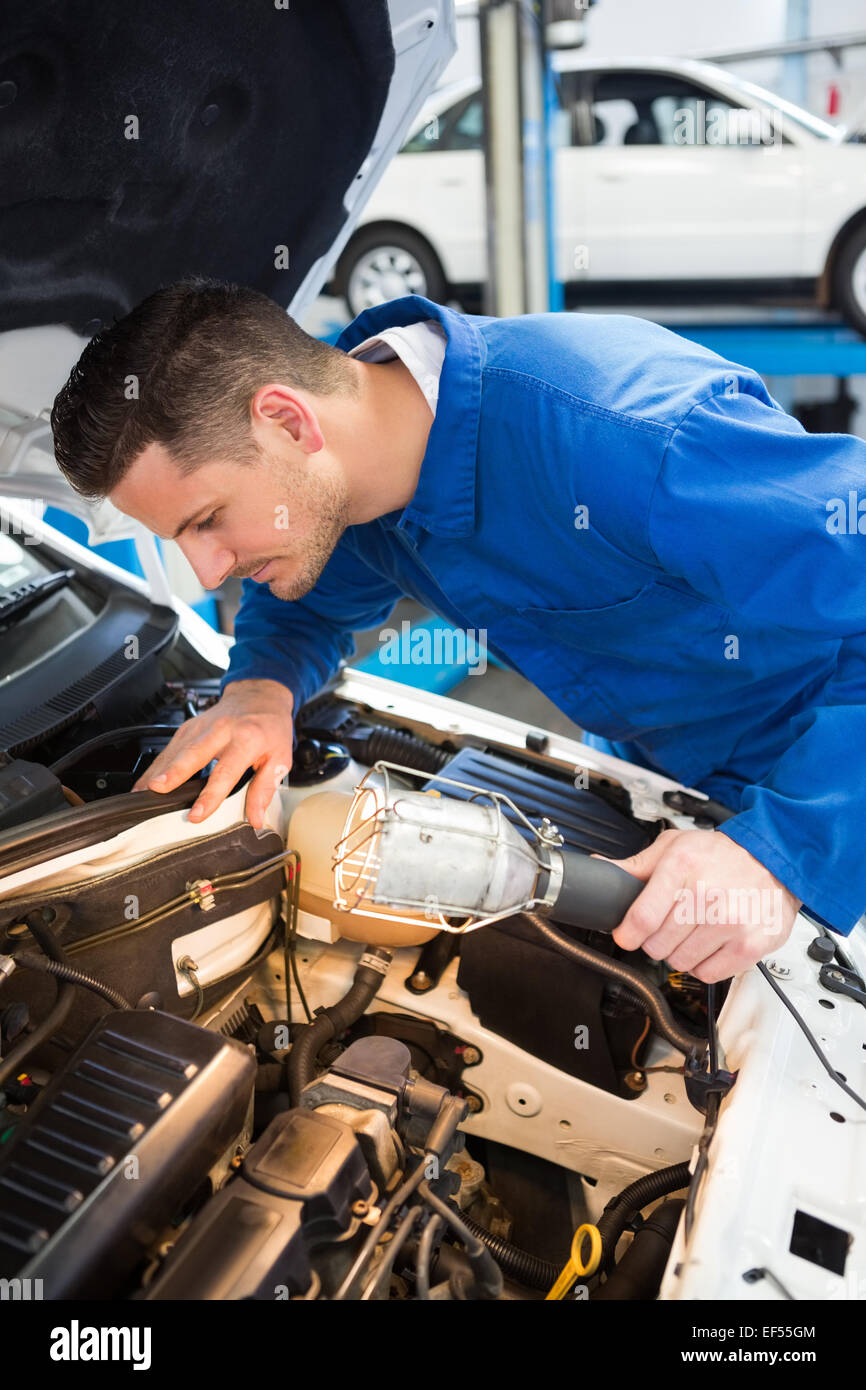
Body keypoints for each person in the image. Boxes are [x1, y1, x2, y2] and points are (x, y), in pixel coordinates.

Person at [50, 279, 866, 982]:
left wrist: (782, 850)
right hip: (675, 792)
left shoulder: (625, 435)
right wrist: (261, 688)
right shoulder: (354, 482)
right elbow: (309, 598)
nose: (206, 572)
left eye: (209, 520)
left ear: (289, 423)